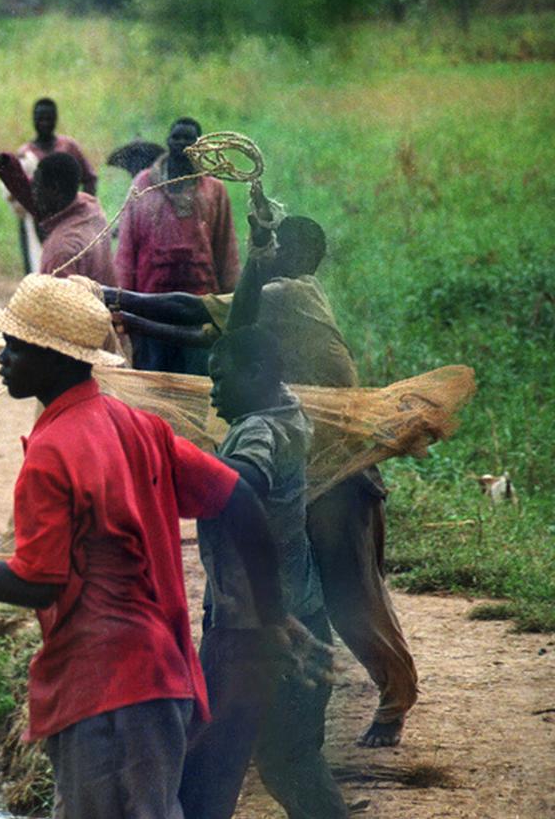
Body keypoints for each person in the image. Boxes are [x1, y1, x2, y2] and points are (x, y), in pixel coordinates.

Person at [0, 274, 314, 819]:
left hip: (104, 694)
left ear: (55, 358)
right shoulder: (137, 426)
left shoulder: (52, 453)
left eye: (15, 347)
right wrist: (272, 614)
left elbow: (38, 583)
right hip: (162, 682)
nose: (2, 359)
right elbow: (241, 500)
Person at [100, 185, 418, 748]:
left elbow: (198, 310)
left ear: (299, 257)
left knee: (350, 596)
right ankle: (281, 718)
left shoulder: (288, 294)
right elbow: (211, 333)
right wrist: (130, 316)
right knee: (308, 589)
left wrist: (112, 296)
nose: (271, 253)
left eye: (279, 246)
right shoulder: (284, 296)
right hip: (315, 459)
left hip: (335, 472)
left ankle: (392, 700)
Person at [180, 325, 347, 819]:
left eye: (220, 378)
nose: (212, 391)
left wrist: (186, 467)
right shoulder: (288, 410)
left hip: (253, 630)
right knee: (290, 759)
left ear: (256, 375)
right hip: (302, 614)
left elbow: (245, 480)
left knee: (208, 769)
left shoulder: (258, 430)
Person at [114, 117, 239, 374]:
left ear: (200, 145)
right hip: (149, 307)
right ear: (167, 142)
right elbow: (127, 250)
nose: (182, 143)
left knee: (195, 387)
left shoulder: (215, 190)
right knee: (153, 383)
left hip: (199, 311)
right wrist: (122, 300)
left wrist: (230, 309)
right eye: (176, 138)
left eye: (189, 139)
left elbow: (226, 251)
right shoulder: (143, 184)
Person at [0, 141, 116, 288]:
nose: (32, 192)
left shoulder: (59, 252)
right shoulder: (90, 208)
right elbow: (30, 194)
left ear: (54, 191)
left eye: (37, 186)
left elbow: (58, 312)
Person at [1, 98, 100, 273]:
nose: (45, 123)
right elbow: (16, 187)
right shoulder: (26, 154)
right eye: (40, 119)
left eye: (49, 118)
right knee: (36, 267)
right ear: (33, 120)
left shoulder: (68, 147)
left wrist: (85, 208)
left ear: (56, 119)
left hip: (69, 216)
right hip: (36, 220)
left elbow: (90, 178)